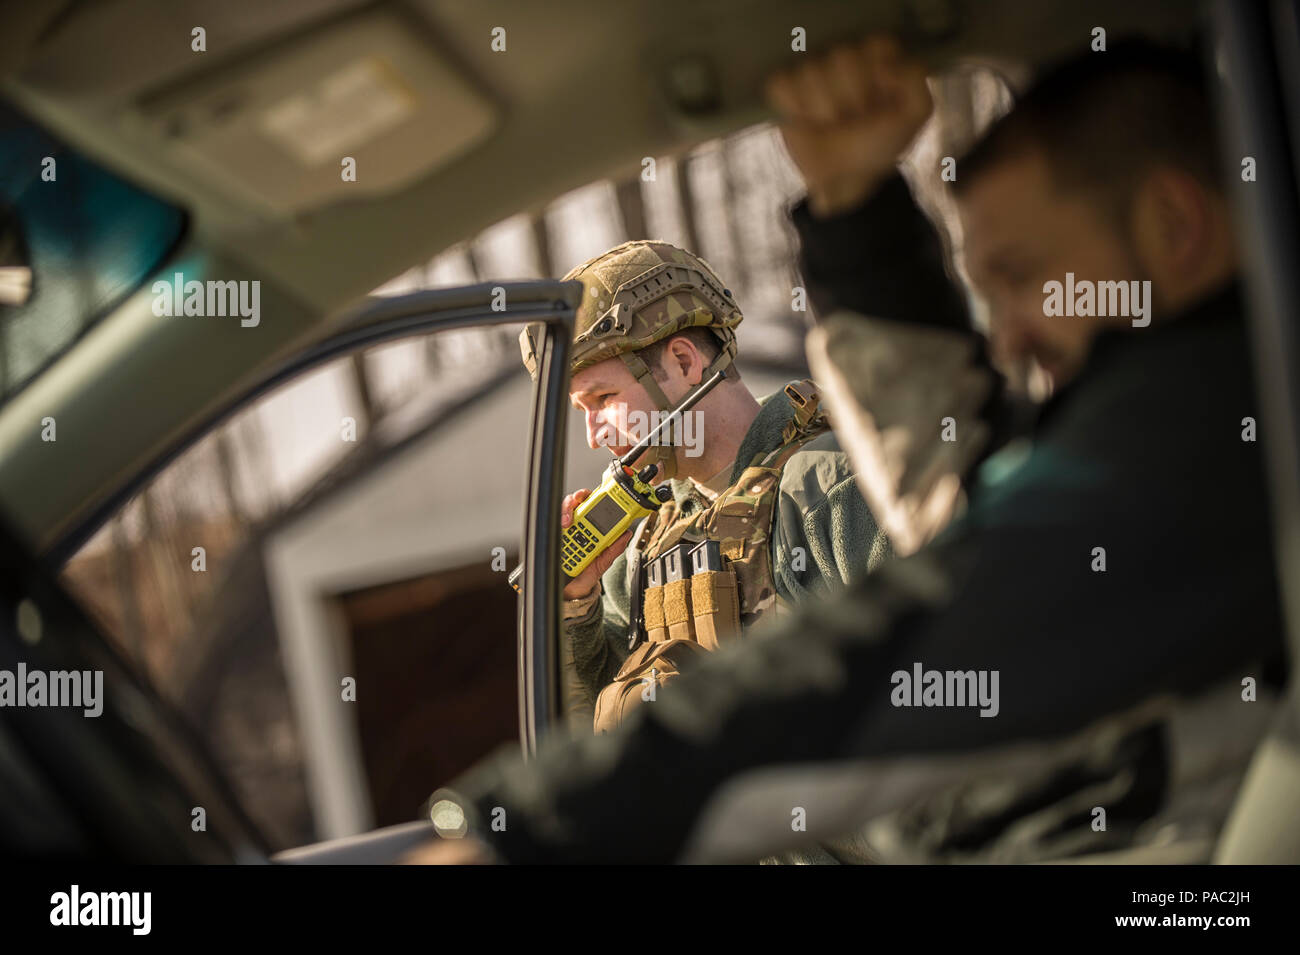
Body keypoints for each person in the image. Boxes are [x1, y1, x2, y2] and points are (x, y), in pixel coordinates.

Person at [411, 37, 1286, 864]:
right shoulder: (644, 544)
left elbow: (912, 645)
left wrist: (532, 829)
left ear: (1174, 223)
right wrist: (854, 205)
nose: (1008, 337)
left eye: (1022, 276)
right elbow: (959, 485)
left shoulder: (1206, 440)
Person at [517, 240, 890, 733]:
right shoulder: (643, 539)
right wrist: (574, 607)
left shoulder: (833, 488)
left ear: (685, 363)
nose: (594, 436)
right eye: (583, 412)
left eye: (603, 399)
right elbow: (593, 747)